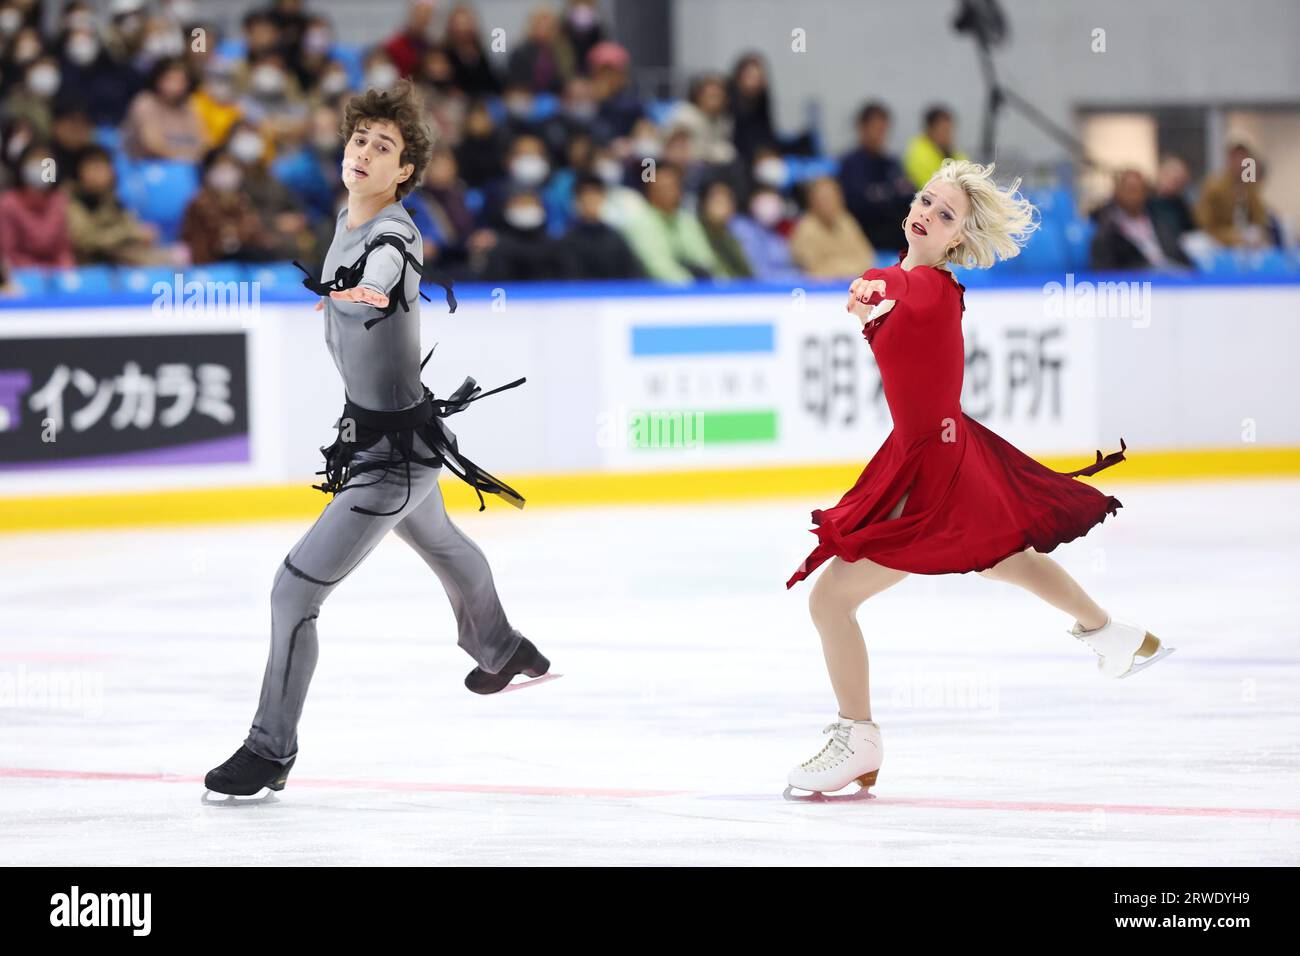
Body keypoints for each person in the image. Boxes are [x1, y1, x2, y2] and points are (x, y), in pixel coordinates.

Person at [783, 160, 1172, 801]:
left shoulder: (924, 285)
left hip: (930, 467)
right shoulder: (912, 284)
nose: (927, 215)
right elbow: (897, 323)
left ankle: (859, 740)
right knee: (1002, 559)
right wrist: (867, 310)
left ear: (958, 238)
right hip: (941, 448)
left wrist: (871, 290)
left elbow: (898, 291)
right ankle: (1115, 635)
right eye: (926, 201)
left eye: (945, 216)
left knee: (830, 600)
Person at [204, 81, 549, 800]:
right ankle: (501, 645)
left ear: (405, 174)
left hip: (391, 459)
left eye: (383, 147)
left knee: (293, 592)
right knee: (443, 542)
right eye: (360, 138)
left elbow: (387, 269)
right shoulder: (347, 214)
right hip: (401, 441)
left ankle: (270, 749)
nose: (364, 151)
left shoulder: (392, 234)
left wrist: (368, 288)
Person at [838, 101, 913, 252]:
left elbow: (909, 195)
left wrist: (883, 196)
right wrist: (891, 195)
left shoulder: (891, 163)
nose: (880, 135)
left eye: (883, 129)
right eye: (876, 129)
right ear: (862, 128)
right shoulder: (851, 164)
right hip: (864, 233)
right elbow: (859, 205)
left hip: (894, 227)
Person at [1089, 168, 1191, 271]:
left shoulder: (1158, 220)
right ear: (1117, 191)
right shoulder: (1106, 227)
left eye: (1138, 189)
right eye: (1130, 189)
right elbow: (1105, 268)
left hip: (1170, 276)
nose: (1133, 195)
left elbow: (1179, 255)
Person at [789, 175, 876, 278]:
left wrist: (840, 266)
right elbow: (814, 270)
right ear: (812, 201)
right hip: (822, 291)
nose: (830, 202)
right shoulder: (805, 229)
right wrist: (849, 267)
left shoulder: (846, 221)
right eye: (824, 198)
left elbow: (867, 258)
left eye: (834, 197)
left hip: (852, 285)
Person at [902, 105, 967, 190]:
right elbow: (931, 187)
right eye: (943, 130)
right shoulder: (917, 155)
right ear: (929, 130)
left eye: (949, 130)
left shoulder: (954, 154)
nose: (948, 135)